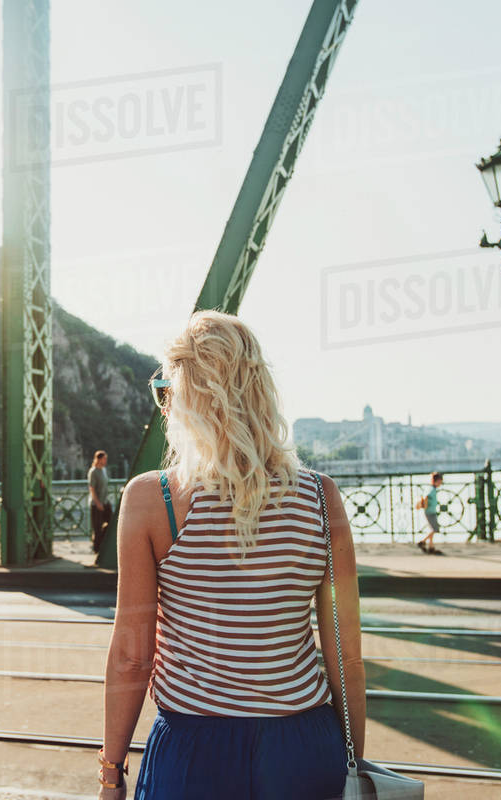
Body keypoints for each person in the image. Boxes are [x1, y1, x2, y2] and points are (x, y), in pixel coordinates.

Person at [97, 311, 365, 800]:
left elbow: (134, 656)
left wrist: (111, 774)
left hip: (195, 750)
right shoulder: (324, 499)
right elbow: (345, 655)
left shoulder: (153, 501)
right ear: (259, 390)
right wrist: (354, 768)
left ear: (183, 399)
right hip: (305, 746)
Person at [88, 451, 112, 554]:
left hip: (105, 501)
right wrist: (98, 503)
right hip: (96, 504)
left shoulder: (104, 470)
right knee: (97, 528)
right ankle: (96, 549)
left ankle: (104, 545)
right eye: (104, 459)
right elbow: (92, 489)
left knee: (111, 523)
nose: (106, 461)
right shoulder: (93, 472)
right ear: (99, 459)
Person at [417, 471, 443, 555]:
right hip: (430, 511)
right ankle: (422, 542)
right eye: (440, 482)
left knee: (432, 529)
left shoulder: (431, 488)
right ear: (437, 481)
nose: (440, 483)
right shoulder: (431, 489)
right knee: (435, 529)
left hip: (431, 511)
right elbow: (426, 497)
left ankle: (431, 546)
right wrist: (426, 505)